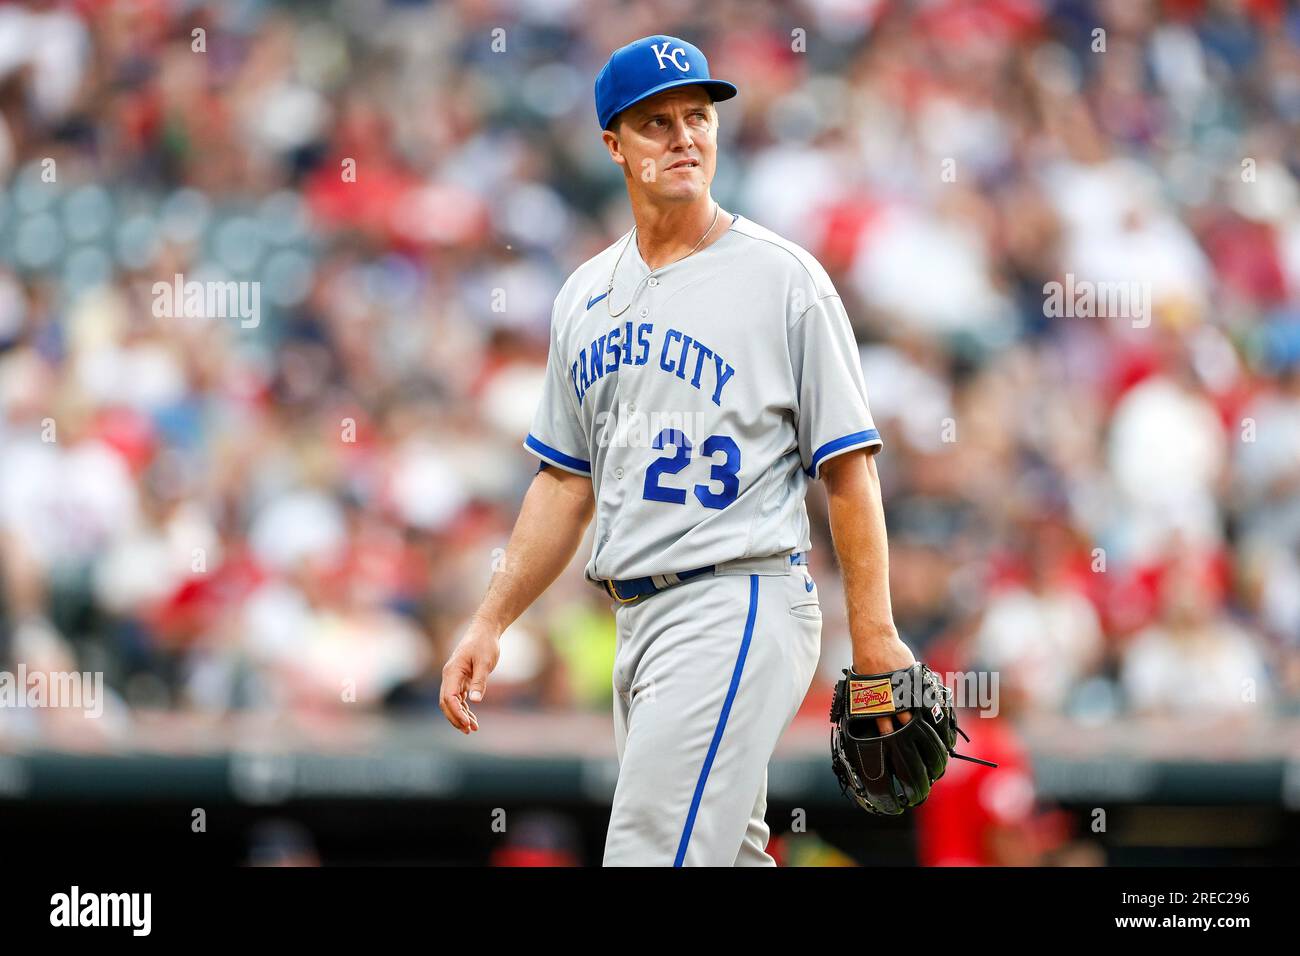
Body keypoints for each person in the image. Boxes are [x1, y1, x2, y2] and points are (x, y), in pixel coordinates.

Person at [439, 34, 912, 866]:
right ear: (613, 147)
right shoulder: (586, 294)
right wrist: (492, 616)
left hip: (738, 598)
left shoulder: (784, 279)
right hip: (640, 619)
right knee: (723, 855)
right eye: (657, 123)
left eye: (699, 115)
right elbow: (562, 485)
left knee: (650, 853)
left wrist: (873, 637)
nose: (686, 136)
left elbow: (848, 466)